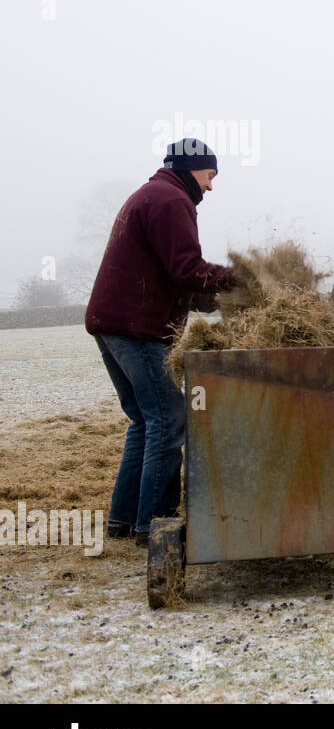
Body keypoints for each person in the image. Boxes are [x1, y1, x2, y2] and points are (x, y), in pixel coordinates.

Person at [85, 138, 237, 546]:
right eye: (210, 175)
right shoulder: (171, 201)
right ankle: (156, 526)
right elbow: (186, 268)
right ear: (192, 169)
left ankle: (123, 520)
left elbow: (171, 272)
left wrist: (209, 297)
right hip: (138, 330)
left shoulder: (154, 194)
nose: (210, 187)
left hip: (113, 324)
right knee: (169, 420)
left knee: (145, 421)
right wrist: (239, 280)